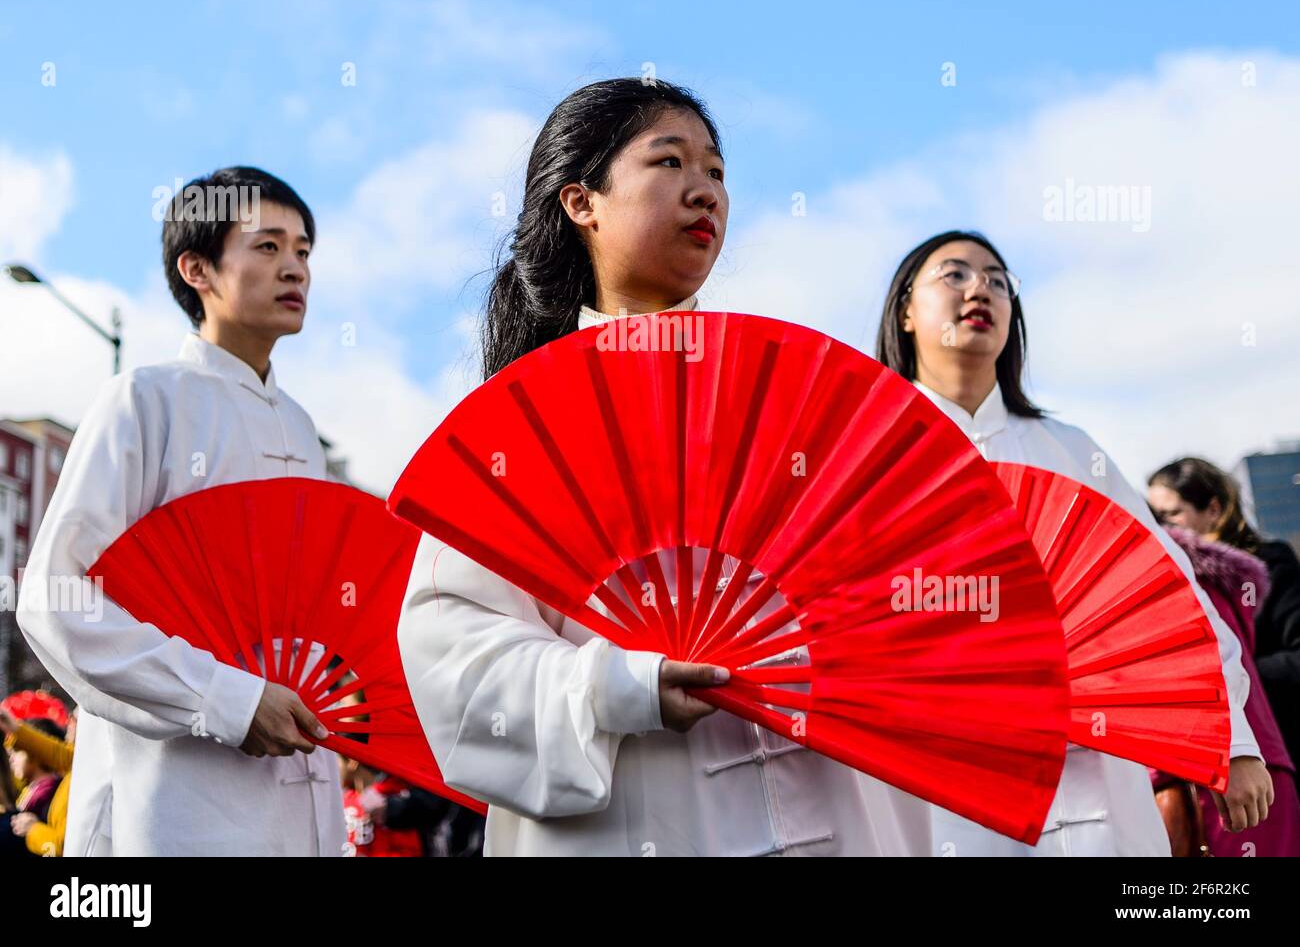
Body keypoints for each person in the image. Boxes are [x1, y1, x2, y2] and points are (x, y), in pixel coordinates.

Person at [398, 77, 931, 856]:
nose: (704, 192)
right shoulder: (522, 424)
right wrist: (622, 686)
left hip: (829, 802)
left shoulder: (782, 395)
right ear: (582, 203)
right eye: (670, 163)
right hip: (640, 817)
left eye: (716, 172)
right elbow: (457, 663)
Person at [873, 229, 1271, 856]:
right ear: (904, 309)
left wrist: (1232, 738)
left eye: (999, 282)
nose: (981, 288)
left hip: (1092, 781)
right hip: (939, 779)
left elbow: (1171, 595)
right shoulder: (868, 454)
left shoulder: (1072, 450)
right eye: (954, 274)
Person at [17, 167, 346, 856]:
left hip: (301, 795)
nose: (295, 268)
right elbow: (54, 599)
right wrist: (225, 700)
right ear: (196, 268)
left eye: (305, 251)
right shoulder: (142, 401)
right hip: (169, 807)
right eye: (268, 247)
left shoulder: (303, 430)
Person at [1149, 525, 1300, 856]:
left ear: (1214, 511)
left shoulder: (1163, 577)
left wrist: (1232, 746)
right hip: (1249, 758)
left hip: (1209, 765)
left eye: (1171, 513)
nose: (1166, 522)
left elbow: (1186, 665)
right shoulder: (1225, 581)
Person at [1149, 457, 1300, 777]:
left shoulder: (1269, 562)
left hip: (1281, 742)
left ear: (1214, 510)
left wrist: (1236, 677)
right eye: (1155, 519)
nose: (1163, 530)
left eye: (1172, 514)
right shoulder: (1174, 585)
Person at [2, 707, 75, 856]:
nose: (69, 722)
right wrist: (15, 729)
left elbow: (62, 851)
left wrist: (32, 829)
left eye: (75, 719)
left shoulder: (48, 792)